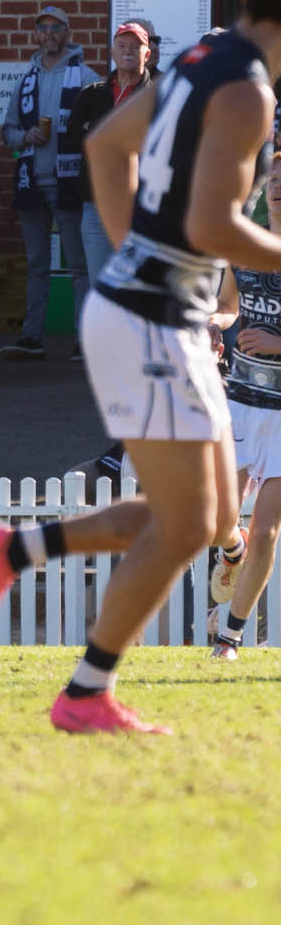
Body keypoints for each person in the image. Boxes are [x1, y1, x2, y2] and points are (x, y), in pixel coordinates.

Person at [2, 6, 98, 359]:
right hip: (31, 181)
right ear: (36, 35)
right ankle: (32, 336)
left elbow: (100, 130)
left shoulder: (86, 77)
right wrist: (24, 136)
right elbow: (7, 131)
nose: (48, 34)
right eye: (42, 28)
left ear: (67, 33)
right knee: (37, 263)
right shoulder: (26, 80)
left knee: (79, 264)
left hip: (69, 182)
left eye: (56, 28)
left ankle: (84, 338)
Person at [211, 182, 281, 658]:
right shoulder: (243, 248)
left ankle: (229, 638)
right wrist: (210, 325)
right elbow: (228, 305)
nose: (278, 190)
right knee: (217, 519)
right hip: (241, 400)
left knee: (266, 530)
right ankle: (230, 553)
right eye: (274, 183)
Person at [68, 22, 153, 298]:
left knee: (140, 288)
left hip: (142, 210)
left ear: (147, 54)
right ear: (112, 53)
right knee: (101, 288)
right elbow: (73, 141)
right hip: (96, 207)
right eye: (122, 46)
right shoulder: (91, 95)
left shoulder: (161, 96)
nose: (128, 52)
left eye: (135, 47)